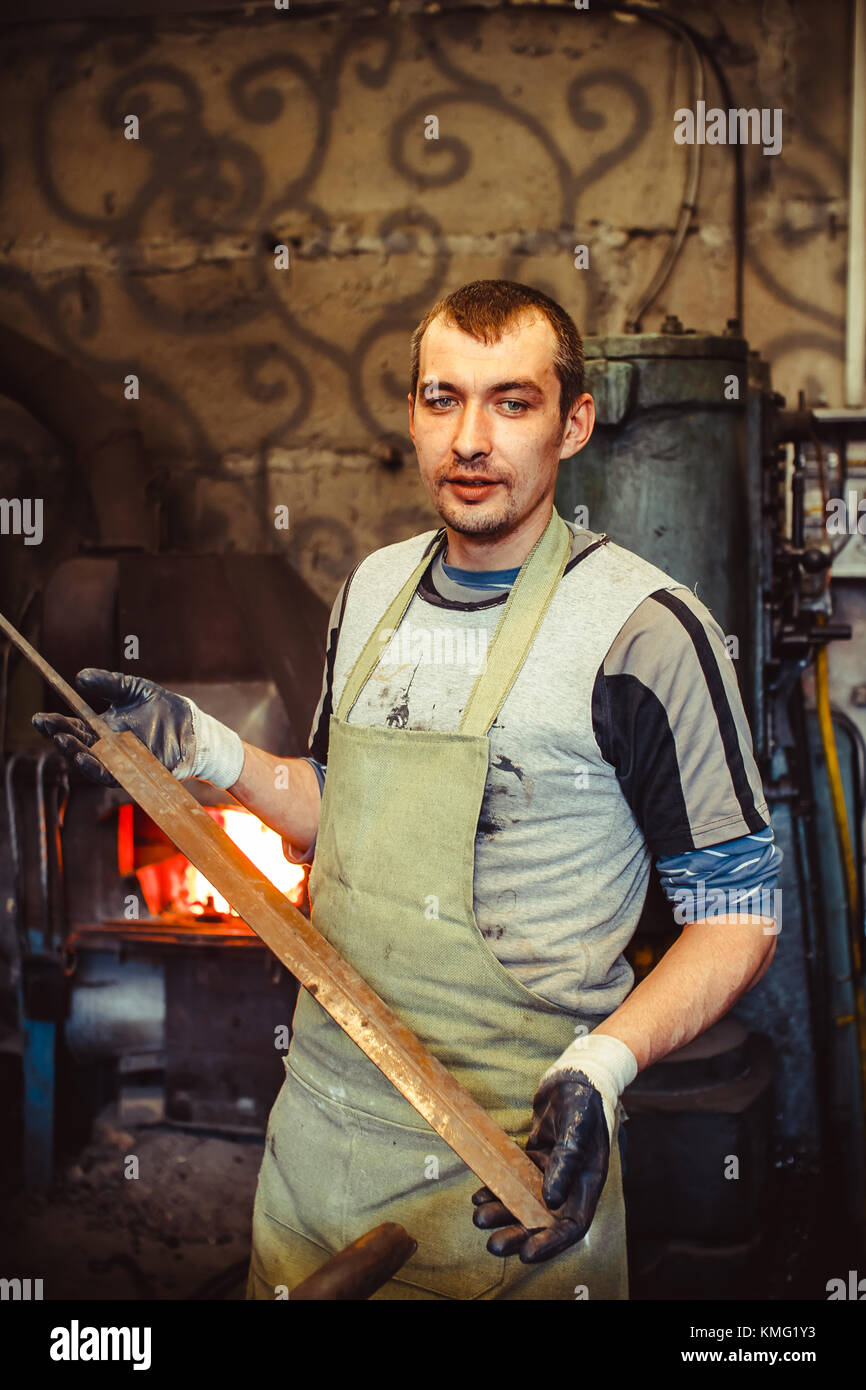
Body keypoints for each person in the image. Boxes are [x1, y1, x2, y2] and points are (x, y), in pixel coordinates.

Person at [34, 279, 780, 1301]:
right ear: (413, 413)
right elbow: (339, 813)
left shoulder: (644, 631)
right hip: (315, 1159)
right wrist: (200, 749)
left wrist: (599, 1071)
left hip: (509, 1178)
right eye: (442, 398)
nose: (469, 438)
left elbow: (737, 912)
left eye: (510, 402)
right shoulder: (373, 588)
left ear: (572, 424)